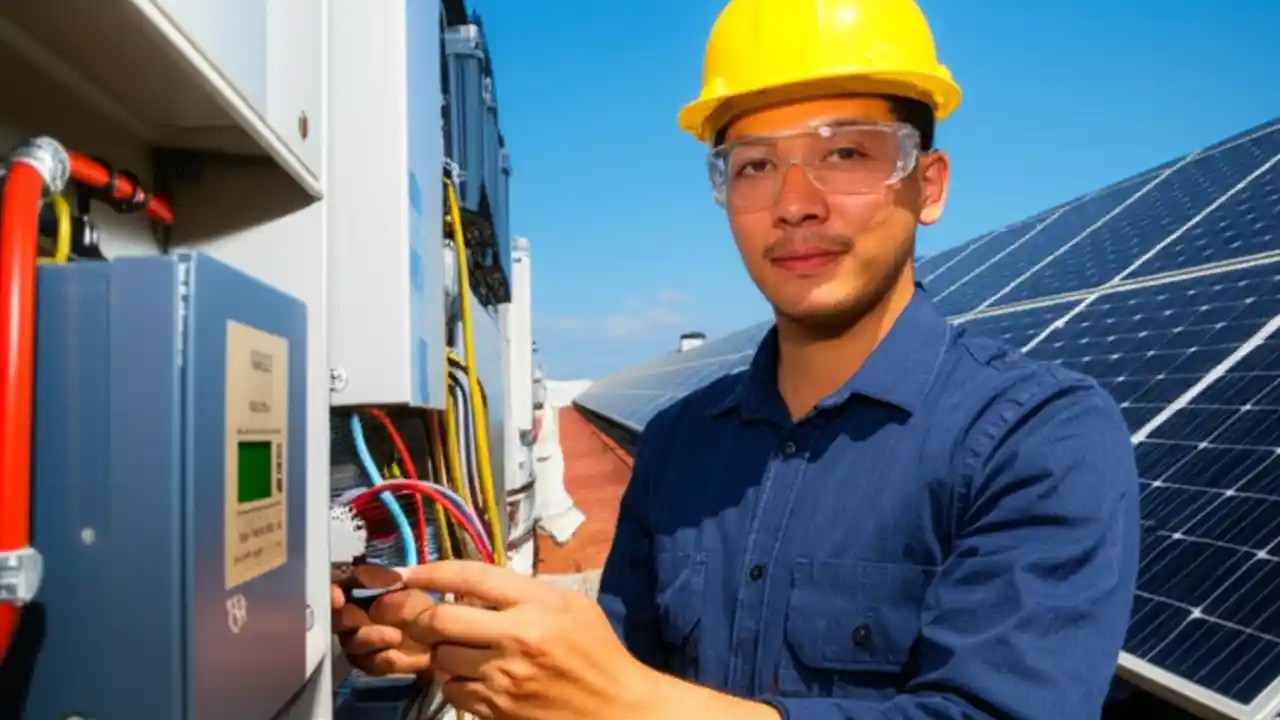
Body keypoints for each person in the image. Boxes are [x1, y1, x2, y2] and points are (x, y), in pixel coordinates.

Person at [331, 0, 1142, 717]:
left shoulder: (1039, 439)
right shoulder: (683, 443)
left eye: (847, 153)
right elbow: (616, 659)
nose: (795, 202)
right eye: (755, 164)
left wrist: (627, 706)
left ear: (928, 185)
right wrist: (463, 635)